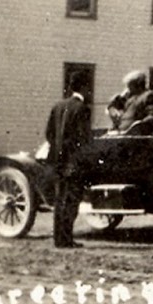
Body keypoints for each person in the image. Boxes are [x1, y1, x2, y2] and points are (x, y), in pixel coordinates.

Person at [44, 70, 93, 248]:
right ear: (84, 87)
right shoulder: (82, 108)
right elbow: (83, 139)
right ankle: (67, 238)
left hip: (57, 161)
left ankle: (58, 238)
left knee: (59, 200)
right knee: (71, 201)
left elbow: (49, 133)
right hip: (74, 162)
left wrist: (59, 148)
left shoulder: (58, 106)